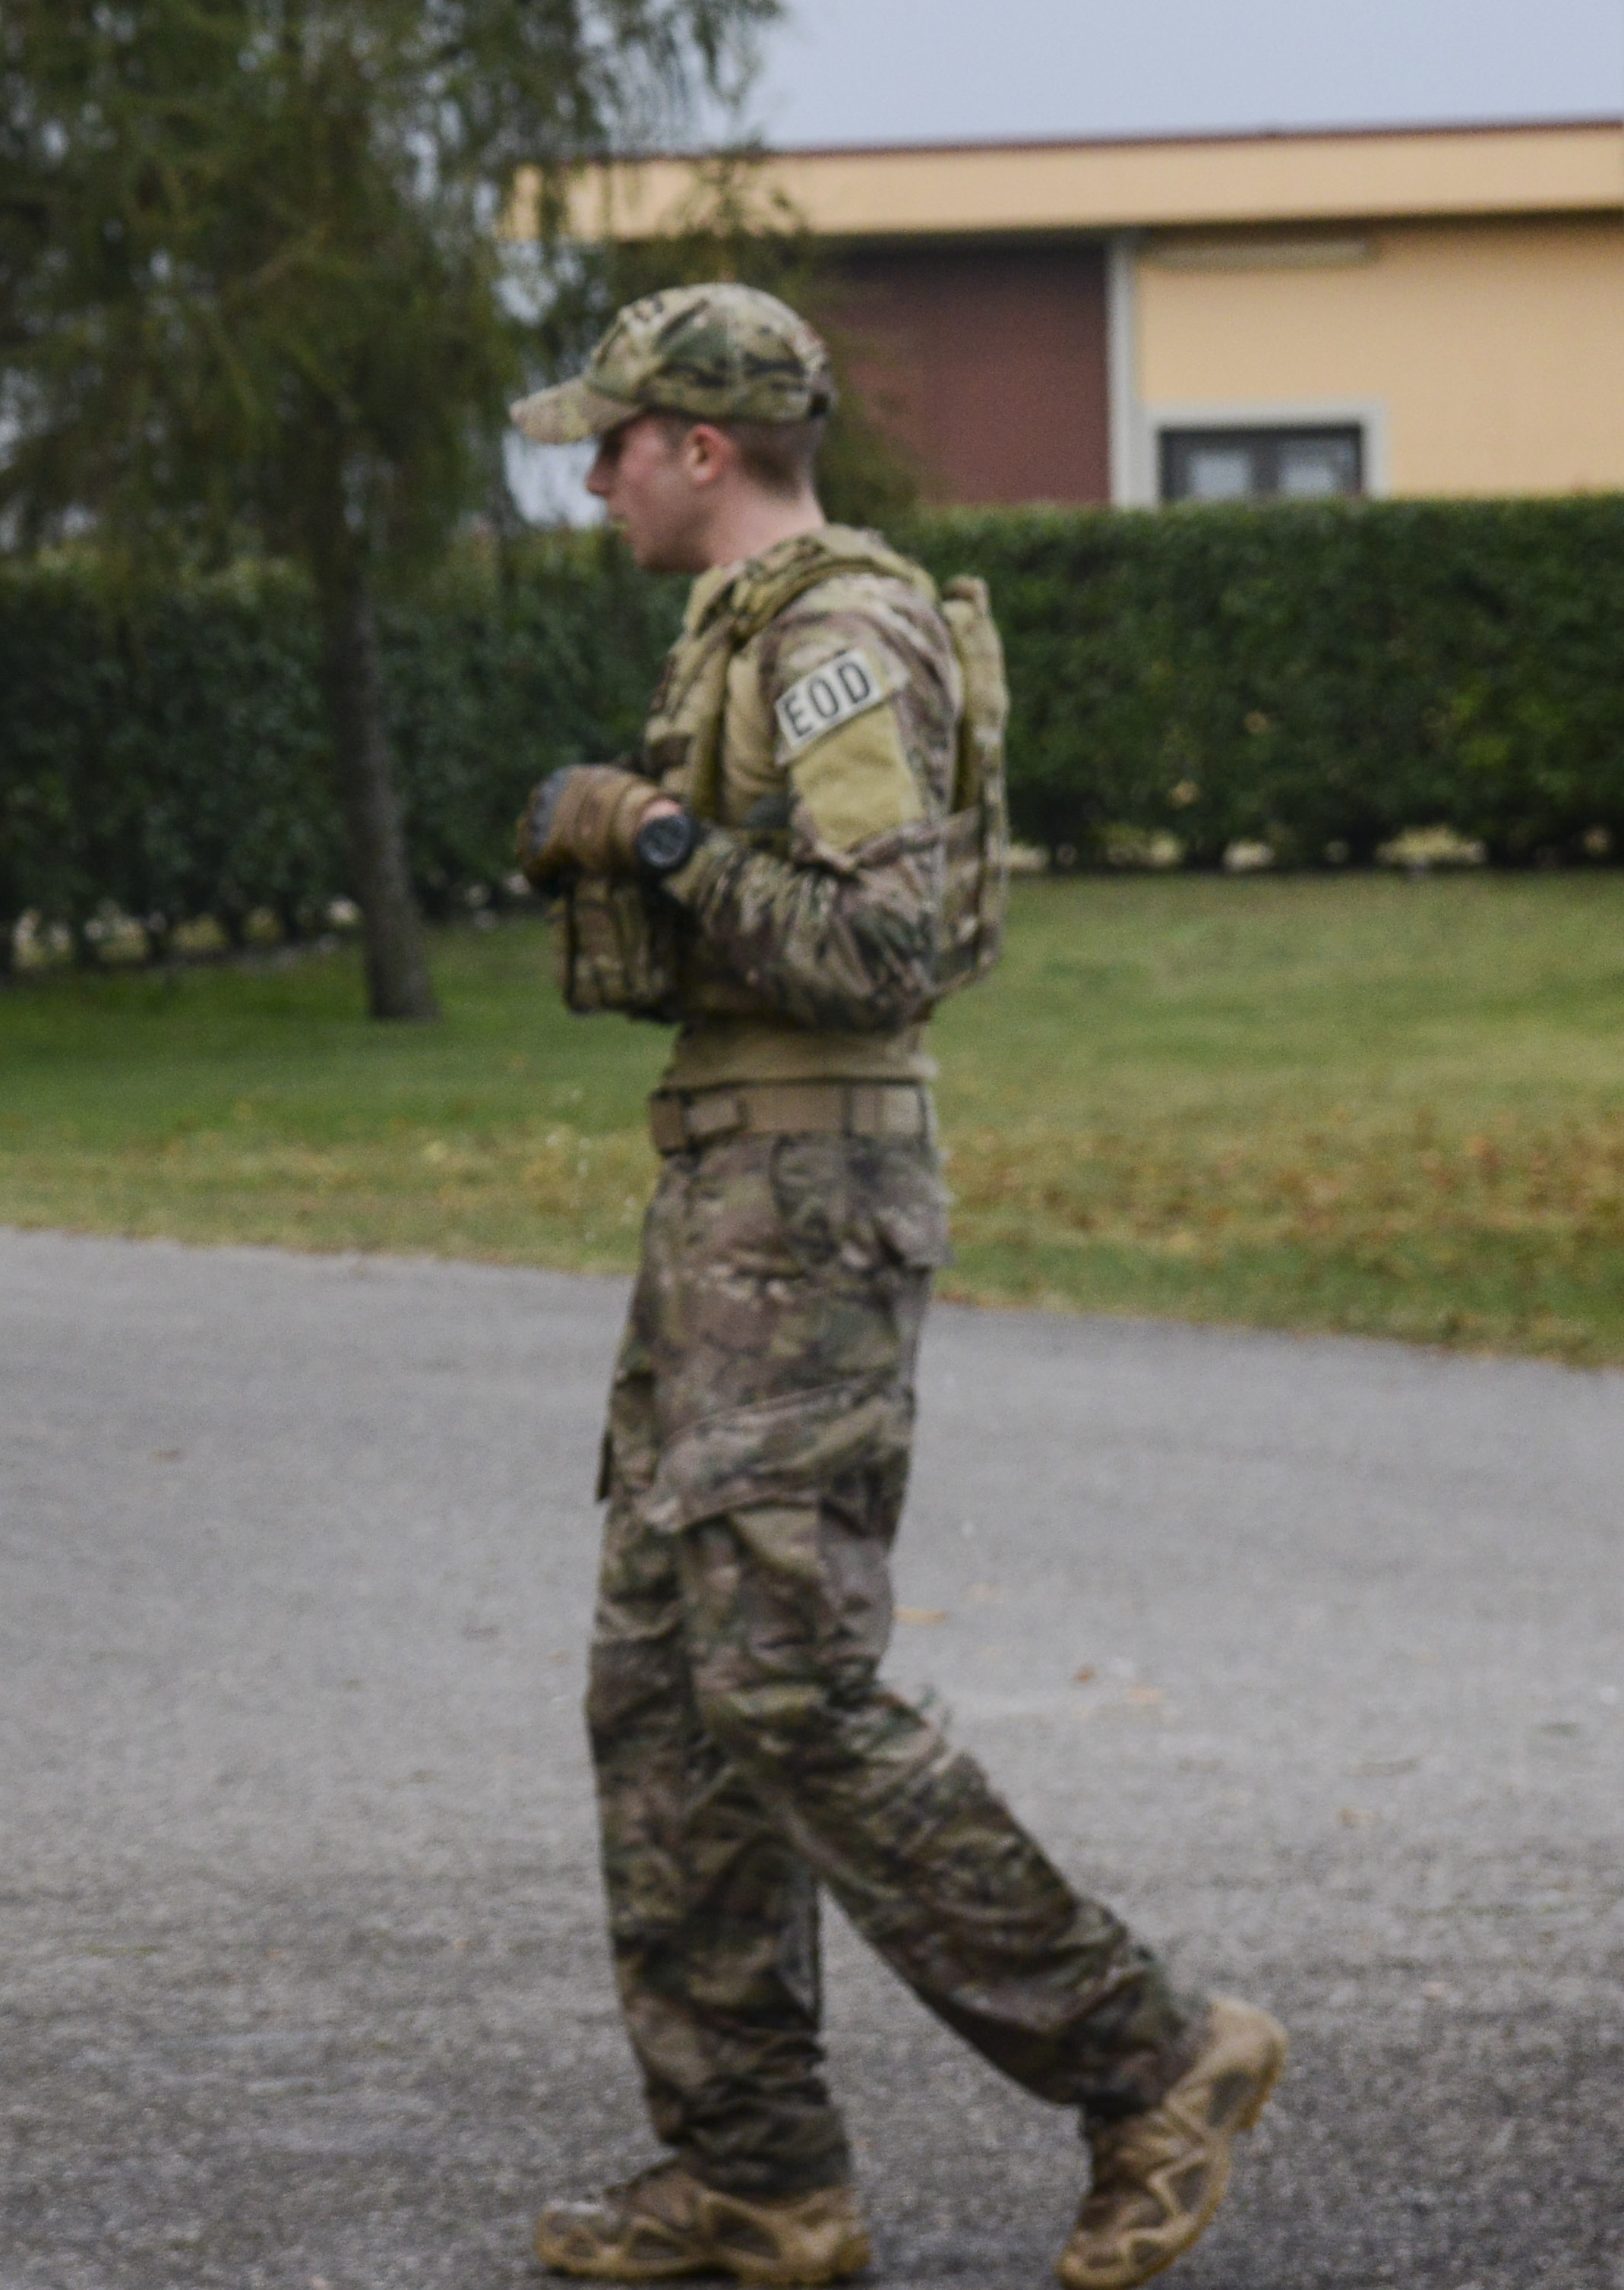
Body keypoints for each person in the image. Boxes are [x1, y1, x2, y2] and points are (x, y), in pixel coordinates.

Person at [507, 284, 1284, 2290]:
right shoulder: (747, 634)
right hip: (730, 1191)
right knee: (664, 1693)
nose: (589, 476)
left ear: (700, 445)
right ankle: (760, 2178)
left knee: (784, 1680)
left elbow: (877, 953)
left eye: (613, 441)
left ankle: (1154, 2056)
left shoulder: (846, 638)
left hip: (807, 1201)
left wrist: (659, 831)